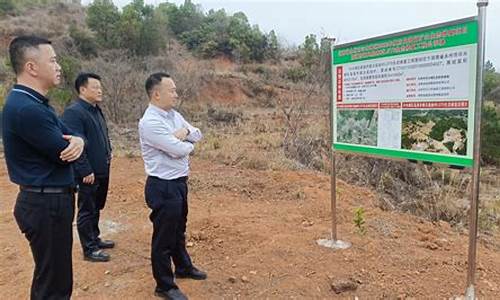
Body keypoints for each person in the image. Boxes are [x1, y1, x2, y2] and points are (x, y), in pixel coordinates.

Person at [2, 35, 85, 299]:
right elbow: (65, 152)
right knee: (54, 285)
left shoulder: (34, 103)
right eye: (52, 60)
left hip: (46, 202)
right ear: (31, 67)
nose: (58, 66)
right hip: (44, 204)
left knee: (54, 277)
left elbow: (71, 134)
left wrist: (79, 140)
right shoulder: (27, 109)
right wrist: (76, 144)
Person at [138, 72, 206, 300]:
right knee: (164, 237)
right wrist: (184, 143)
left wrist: (184, 133)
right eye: (172, 90)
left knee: (178, 230)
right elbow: (180, 149)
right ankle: (164, 285)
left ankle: (184, 267)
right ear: (157, 94)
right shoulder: (150, 122)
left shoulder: (174, 115)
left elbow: (197, 134)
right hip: (162, 186)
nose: (176, 94)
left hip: (179, 183)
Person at [61, 73, 114, 262]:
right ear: (82, 89)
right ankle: (89, 249)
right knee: (87, 209)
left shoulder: (95, 109)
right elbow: (73, 144)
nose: (100, 90)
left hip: (102, 168)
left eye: (100, 87)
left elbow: (102, 135)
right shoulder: (74, 112)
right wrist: (85, 170)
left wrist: (109, 151)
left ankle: (95, 238)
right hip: (88, 173)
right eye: (95, 87)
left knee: (96, 206)